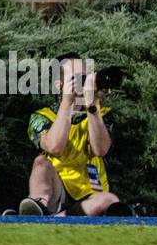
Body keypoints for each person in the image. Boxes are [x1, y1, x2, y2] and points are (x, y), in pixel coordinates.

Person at [20, 55, 122, 217]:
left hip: (90, 194)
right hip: (56, 192)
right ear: (59, 84)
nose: (84, 82)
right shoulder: (42, 117)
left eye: (86, 76)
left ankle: (53, 219)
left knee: (109, 200)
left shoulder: (101, 115)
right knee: (40, 163)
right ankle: (39, 206)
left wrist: (92, 105)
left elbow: (101, 149)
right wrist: (67, 102)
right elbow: (54, 146)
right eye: (78, 78)